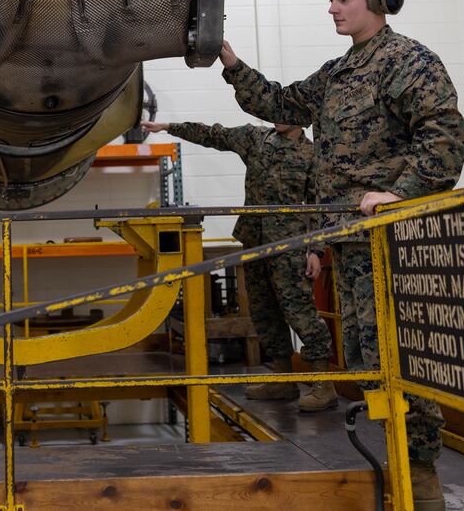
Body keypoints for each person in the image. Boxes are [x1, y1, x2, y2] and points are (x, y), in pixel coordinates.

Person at [217, 0, 464, 510]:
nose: (332, 8)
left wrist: (402, 193)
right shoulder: (338, 73)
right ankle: (399, 465)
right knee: (365, 359)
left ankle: (421, 475)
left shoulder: (407, 61)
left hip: (395, 242)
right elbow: (281, 102)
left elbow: (446, 133)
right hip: (352, 242)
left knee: (399, 356)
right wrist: (230, 62)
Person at [142, 119, 336, 412]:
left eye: (282, 111)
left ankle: (324, 384)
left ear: (301, 117)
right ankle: (283, 379)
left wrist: (316, 251)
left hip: (291, 246)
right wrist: (168, 126)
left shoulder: (312, 155)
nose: (275, 116)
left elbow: (320, 205)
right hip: (255, 242)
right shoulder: (255, 139)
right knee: (263, 311)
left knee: (299, 312)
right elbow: (213, 133)